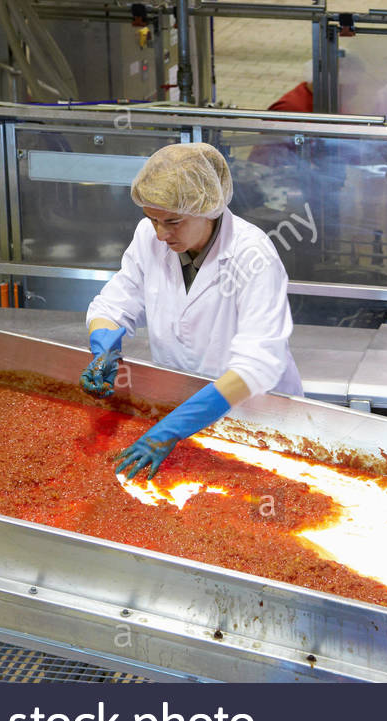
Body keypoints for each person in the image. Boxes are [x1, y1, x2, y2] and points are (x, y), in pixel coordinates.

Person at [80, 142, 302, 480]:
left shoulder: (253, 256)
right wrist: (104, 346)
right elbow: (115, 302)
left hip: (257, 417)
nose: (160, 233)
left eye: (173, 221)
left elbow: (256, 365)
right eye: (151, 218)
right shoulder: (150, 236)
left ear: (207, 209)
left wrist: (170, 429)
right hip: (181, 409)